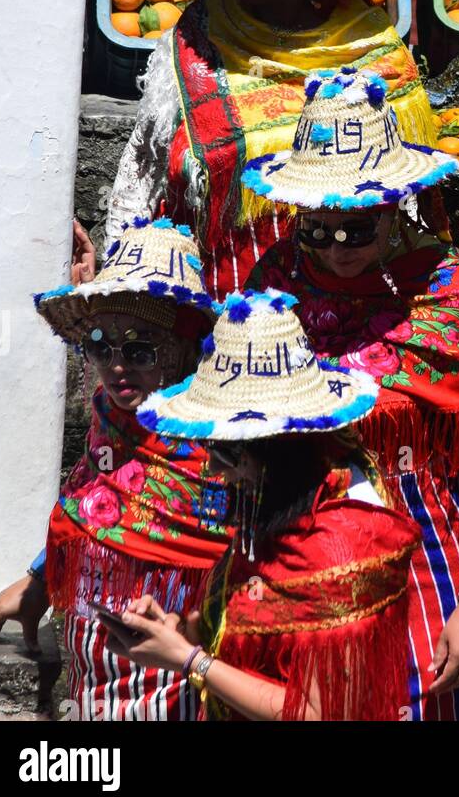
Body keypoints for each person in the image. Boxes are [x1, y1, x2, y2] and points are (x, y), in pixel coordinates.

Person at [245, 64, 459, 721]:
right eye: (318, 229)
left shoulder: (450, 293)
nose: (338, 250)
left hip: (420, 560)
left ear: (393, 206)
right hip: (292, 549)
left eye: (359, 230)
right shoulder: (273, 281)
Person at [100, 0, 435, 298]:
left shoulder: (374, 50)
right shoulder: (200, 34)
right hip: (222, 310)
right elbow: (146, 171)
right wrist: (124, 280)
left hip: (350, 309)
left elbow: (407, 198)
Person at [109, 289, 420, 722]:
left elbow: (317, 713)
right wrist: (172, 628)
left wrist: (189, 660)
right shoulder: (275, 510)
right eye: (208, 446)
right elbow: (241, 621)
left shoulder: (343, 549)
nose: (215, 468)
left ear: (279, 448)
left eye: (227, 451)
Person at [0, 219, 227, 721]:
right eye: (99, 345)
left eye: (139, 349)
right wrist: (39, 581)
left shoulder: (219, 446)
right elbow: (88, 514)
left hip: (172, 674)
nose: (116, 365)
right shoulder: (109, 423)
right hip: (91, 671)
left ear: (181, 351)